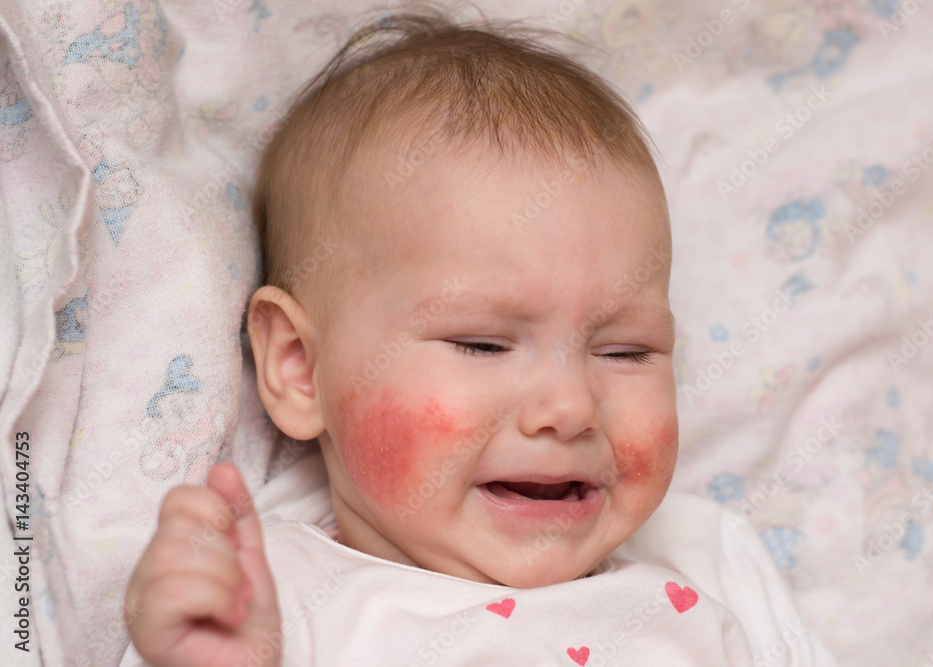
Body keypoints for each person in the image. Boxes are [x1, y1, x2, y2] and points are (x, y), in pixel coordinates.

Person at [123, 11, 837, 666]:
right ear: (301, 366)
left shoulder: (706, 570)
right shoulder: (268, 603)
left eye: (625, 351)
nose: (570, 406)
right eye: (483, 345)